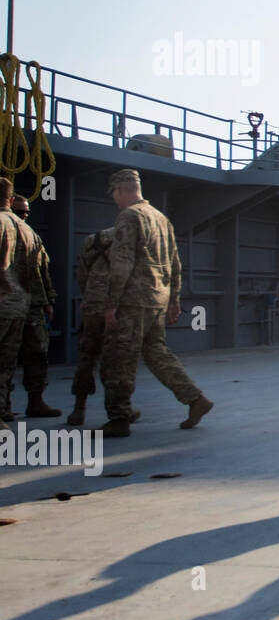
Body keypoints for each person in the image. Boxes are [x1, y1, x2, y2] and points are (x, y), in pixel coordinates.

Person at [99, 168, 215, 437]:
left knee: (119, 359)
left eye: (114, 193)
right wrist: (173, 299)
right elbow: (175, 263)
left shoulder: (129, 216)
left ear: (120, 190)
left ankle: (119, 418)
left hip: (132, 301)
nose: (115, 199)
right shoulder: (161, 218)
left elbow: (122, 263)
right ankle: (195, 399)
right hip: (157, 300)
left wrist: (111, 303)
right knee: (157, 354)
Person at [7, 195, 60, 418]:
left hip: (34, 305)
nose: (23, 216)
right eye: (19, 212)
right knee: (6, 354)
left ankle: (36, 401)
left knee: (38, 353)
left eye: (26, 212)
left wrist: (48, 299)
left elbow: (43, 270)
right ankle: (4, 405)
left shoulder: (32, 236)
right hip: (8, 303)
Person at [68, 227, 124, 426]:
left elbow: (82, 274)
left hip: (92, 304)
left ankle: (78, 408)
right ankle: (120, 410)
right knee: (116, 360)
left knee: (87, 356)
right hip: (116, 307)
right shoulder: (129, 241)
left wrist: (89, 297)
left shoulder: (92, 239)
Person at [0, 178, 40, 431]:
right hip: (19, 305)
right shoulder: (27, 230)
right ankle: (3, 410)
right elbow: (35, 273)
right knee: (5, 363)